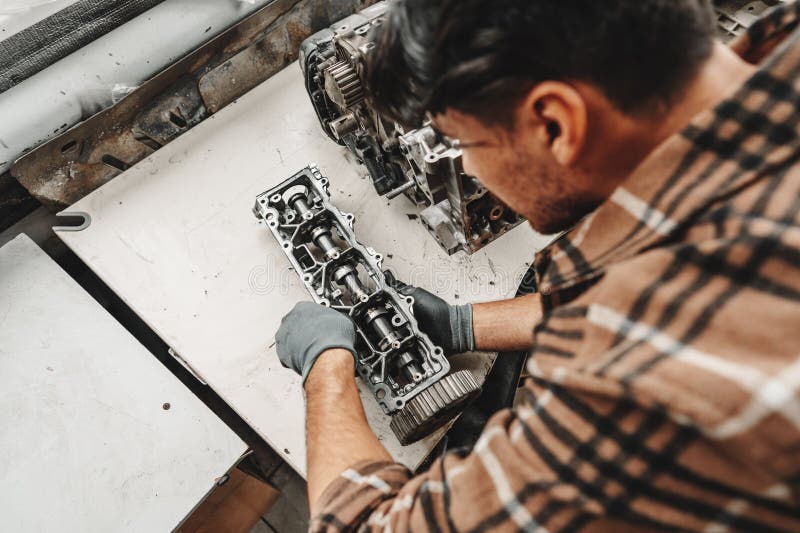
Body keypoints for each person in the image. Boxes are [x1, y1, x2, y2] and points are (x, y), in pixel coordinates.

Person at [275, 1, 800, 530]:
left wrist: (326, 366)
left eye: (460, 146)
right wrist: (468, 324)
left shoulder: (630, 394)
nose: (471, 169)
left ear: (555, 122)